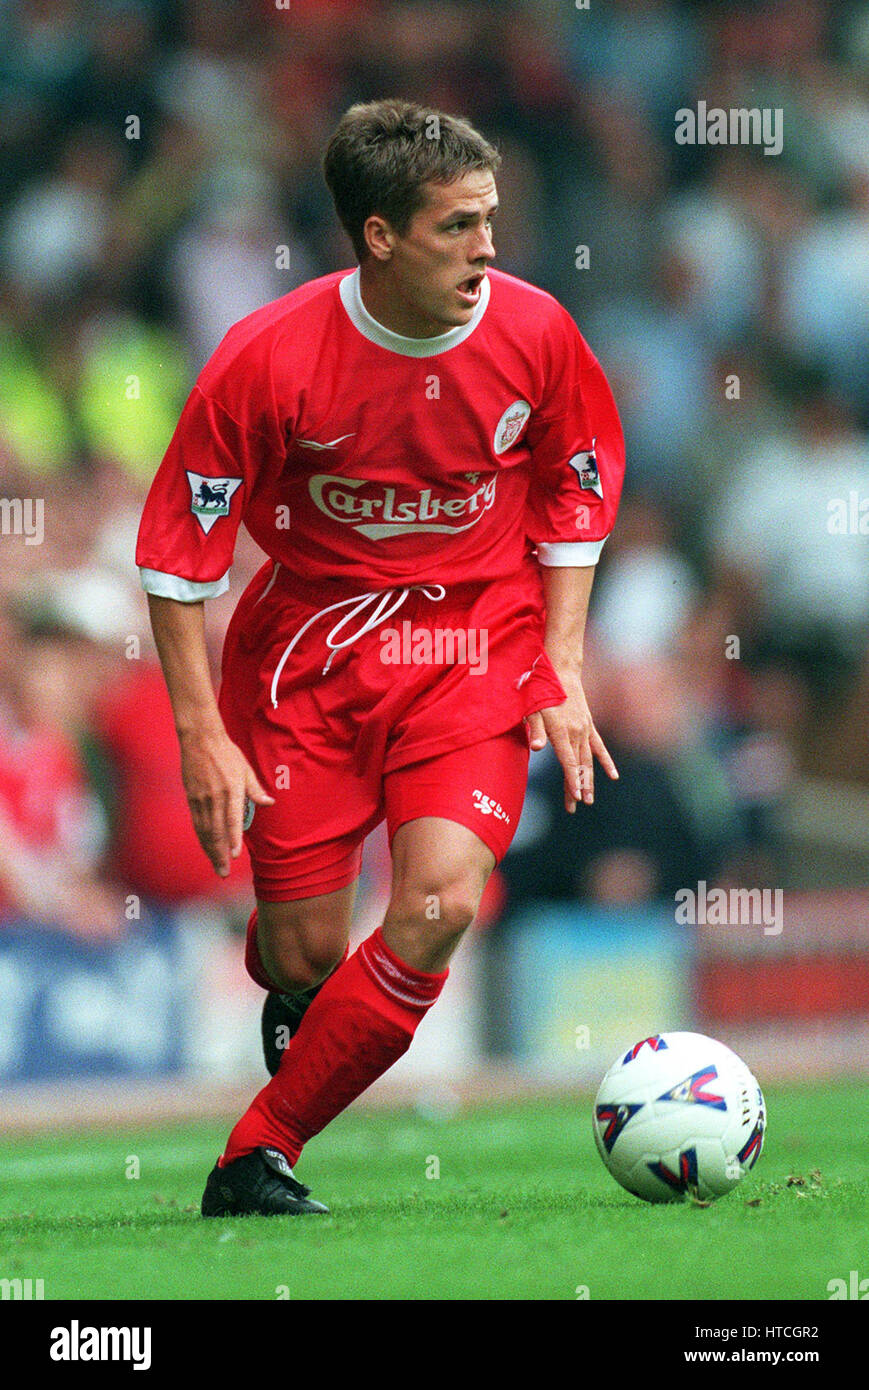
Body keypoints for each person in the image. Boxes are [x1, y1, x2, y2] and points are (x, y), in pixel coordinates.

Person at [136, 99, 625, 1217]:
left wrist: (557, 658)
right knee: (307, 954)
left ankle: (257, 1152)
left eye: (490, 219)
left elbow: (578, 480)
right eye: (456, 226)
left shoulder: (537, 332)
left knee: (441, 900)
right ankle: (299, 981)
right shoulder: (265, 360)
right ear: (379, 235)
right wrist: (200, 734)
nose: (487, 248)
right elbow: (176, 558)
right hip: (304, 664)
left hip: (471, 649)